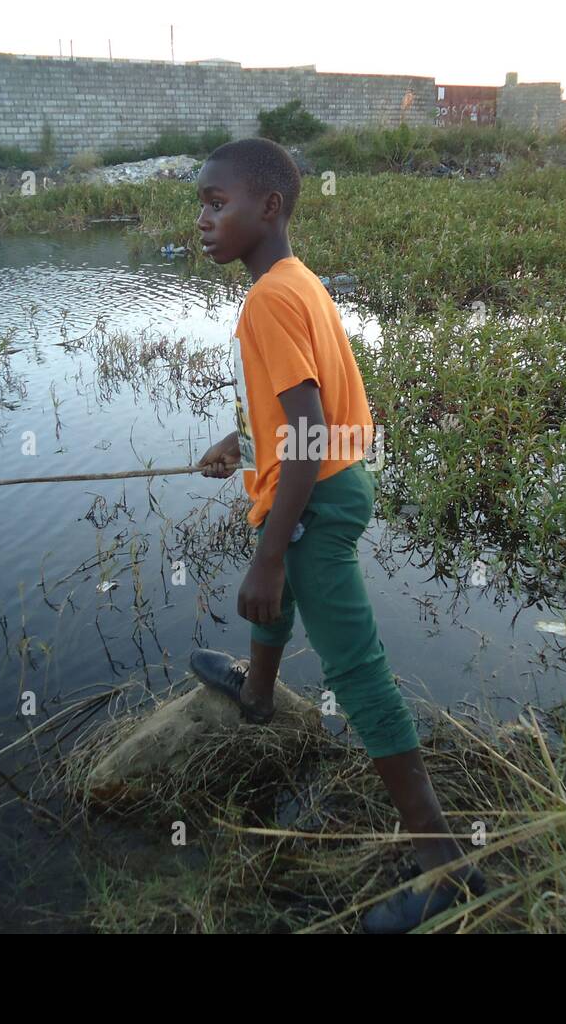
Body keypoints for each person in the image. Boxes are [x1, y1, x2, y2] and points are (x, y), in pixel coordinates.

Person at [191, 138, 485, 933]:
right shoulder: (296, 282)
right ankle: (256, 697)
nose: (204, 220)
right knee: (275, 597)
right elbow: (296, 411)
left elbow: (310, 433)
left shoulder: (267, 301)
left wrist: (269, 551)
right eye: (201, 205)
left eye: (218, 204)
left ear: (269, 207)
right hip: (335, 483)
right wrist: (240, 442)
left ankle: (445, 864)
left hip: (316, 498)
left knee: (356, 671)